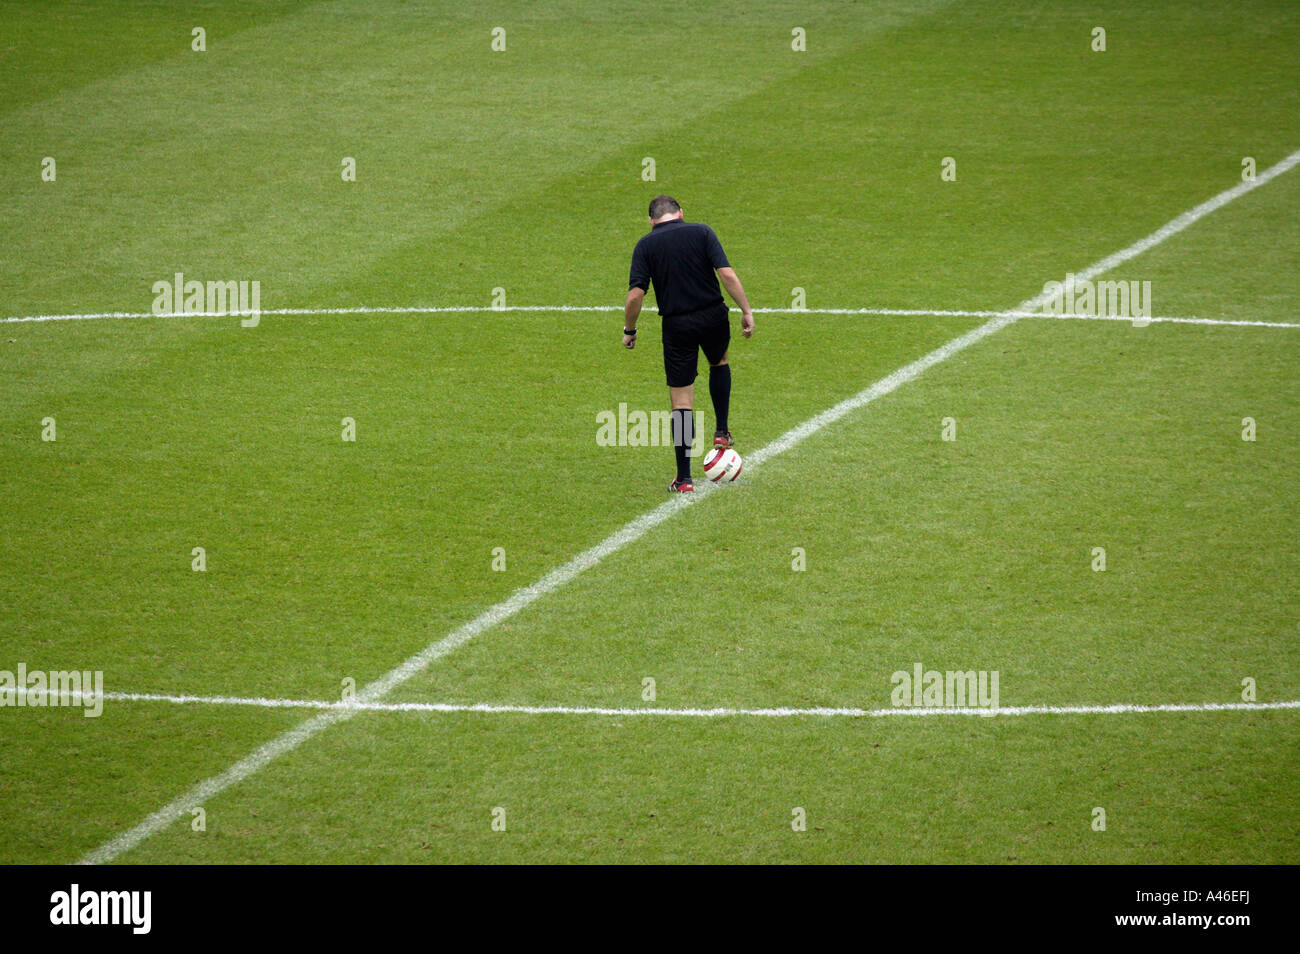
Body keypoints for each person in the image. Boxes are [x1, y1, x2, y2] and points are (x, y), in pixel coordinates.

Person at [623, 195, 755, 492]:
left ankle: (683, 479)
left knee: (681, 402)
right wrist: (746, 311)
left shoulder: (646, 245)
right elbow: (727, 275)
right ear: (681, 213)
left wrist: (629, 329)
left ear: (651, 220)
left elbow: (635, 295)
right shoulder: (702, 232)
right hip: (714, 316)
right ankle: (721, 430)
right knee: (719, 362)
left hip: (677, 325)